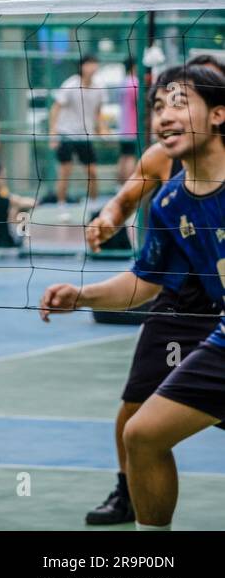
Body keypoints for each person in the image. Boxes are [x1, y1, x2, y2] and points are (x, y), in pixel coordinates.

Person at [40, 63, 225, 529]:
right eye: (158, 107)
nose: (164, 115)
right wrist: (81, 296)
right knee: (141, 433)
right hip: (213, 332)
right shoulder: (170, 201)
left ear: (219, 114)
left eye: (179, 104)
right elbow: (147, 281)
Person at [49, 54, 106, 205]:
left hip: (86, 135)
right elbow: (55, 108)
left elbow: (98, 112)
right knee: (65, 172)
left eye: (95, 63)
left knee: (92, 172)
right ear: (82, 66)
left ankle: (93, 205)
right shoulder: (70, 84)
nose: (92, 67)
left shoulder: (99, 86)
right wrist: (53, 133)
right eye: (89, 64)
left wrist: (101, 129)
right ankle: (61, 206)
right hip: (66, 133)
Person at [117, 57, 140, 183]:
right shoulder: (135, 82)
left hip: (123, 128)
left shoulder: (122, 82)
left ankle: (120, 186)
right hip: (133, 128)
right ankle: (128, 184)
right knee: (131, 157)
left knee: (123, 156)